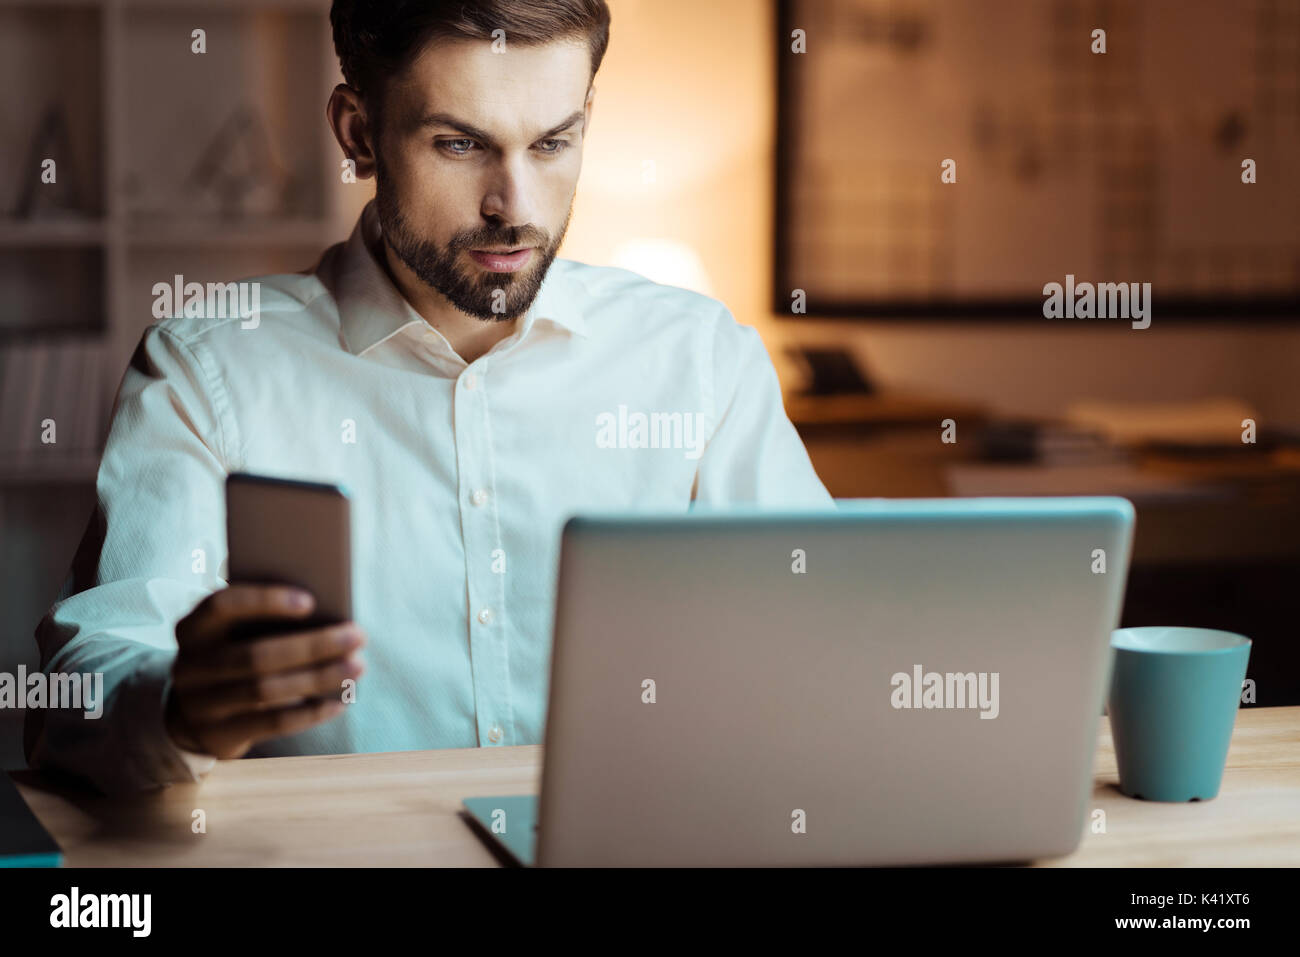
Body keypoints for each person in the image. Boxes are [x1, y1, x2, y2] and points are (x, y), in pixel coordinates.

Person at [26, 0, 831, 794]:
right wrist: (177, 709)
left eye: (553, 143)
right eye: (459, 143)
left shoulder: (698, 359)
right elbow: (75, 694)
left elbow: (828, 639)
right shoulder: (209, 366)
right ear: (358, 132)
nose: (515, 208)